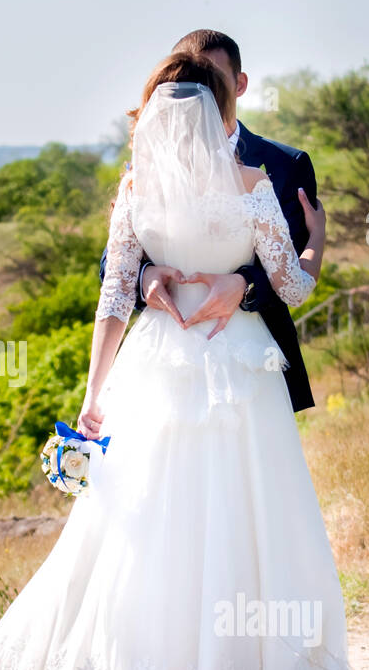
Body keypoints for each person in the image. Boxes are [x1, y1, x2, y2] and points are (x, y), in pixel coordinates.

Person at [0, 52, 361, 670]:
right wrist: (318, 240)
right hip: (241, 367)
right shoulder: (253, 185)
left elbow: (112, 298)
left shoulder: (138, 192)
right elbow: (293, 287)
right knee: (247, 517)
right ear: (216, 110)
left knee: (146, 519)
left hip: (157, 363)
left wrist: (92, 396)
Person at [98, 29, 319, 415]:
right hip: (164, 356)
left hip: (250, 357)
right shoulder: (146, 174)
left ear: (239, 84)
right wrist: (146, 276)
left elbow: (282, 269)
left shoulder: (286, 165)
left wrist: (244, 283)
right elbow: (114, 272)